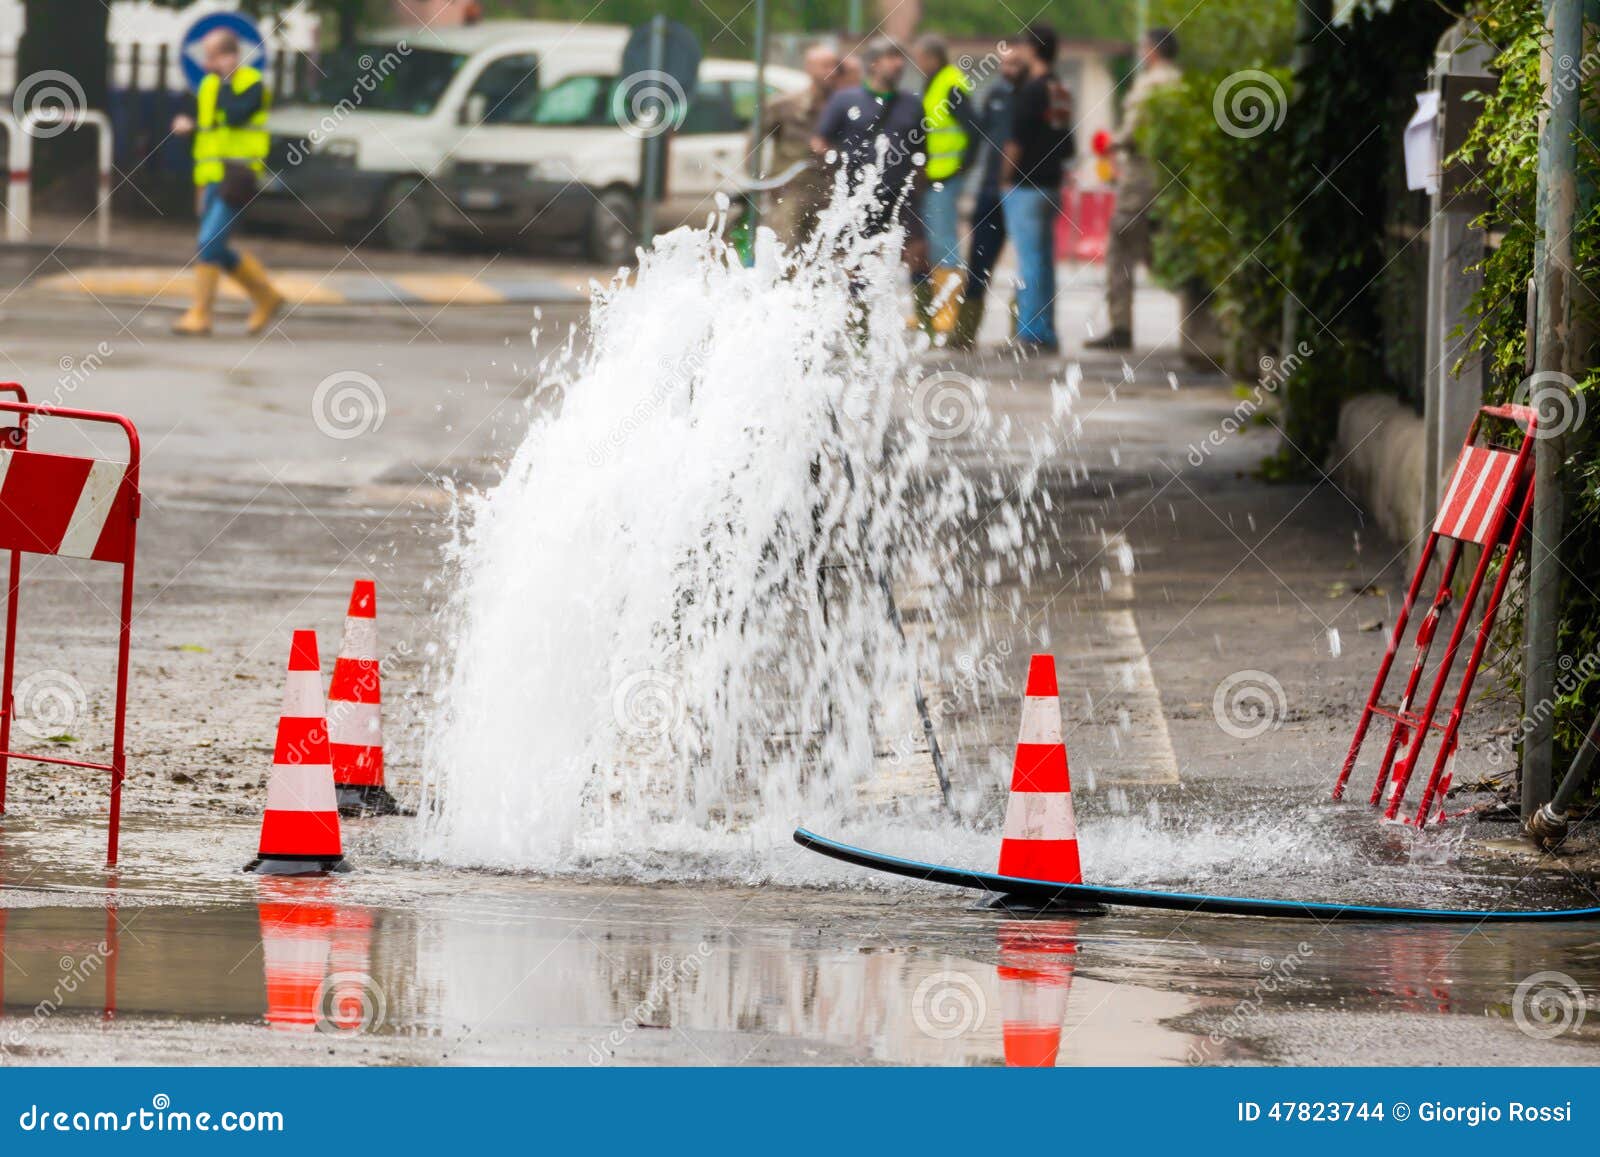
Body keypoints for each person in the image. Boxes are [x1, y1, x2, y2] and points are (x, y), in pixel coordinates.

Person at [169, 29, 283, 338]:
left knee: (208, 242)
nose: (206, 63)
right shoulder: (208, 85)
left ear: (229, 56)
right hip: (209, 178)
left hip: (237, 177)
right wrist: (188, 125)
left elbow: (232, 115)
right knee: (214, 245)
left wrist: (224, 78)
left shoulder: (252, 86)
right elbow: (208, 128)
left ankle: (201, 314)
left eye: (211, 56)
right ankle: (266, 296)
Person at [1087, 25, 1182, 351]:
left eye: (1144, 48)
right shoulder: (1179, 84)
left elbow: (1133, 132)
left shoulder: (1150, 85)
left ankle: (1121, 329)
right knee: (1160, 250)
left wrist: (1108, 142)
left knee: (1121, 248)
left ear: (1153, 49)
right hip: (1168, 178)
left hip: (1140, 178)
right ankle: (1207, 311)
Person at [1000, 24, 1074, 354]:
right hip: (1052, 184)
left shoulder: (1031, 90)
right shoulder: (1059, 88)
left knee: (1028, 262)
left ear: (1032, 49)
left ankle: (1030, 333)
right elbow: (1067, 142)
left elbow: (1017, 140)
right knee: (1044, 262)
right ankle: (1047, 332)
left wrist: (1004, 176)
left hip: (1026, 185)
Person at [949, 42, 1024, 350]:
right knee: (978, 262)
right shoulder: (995, 94)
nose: (1007, 70)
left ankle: (1021, 332)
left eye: (1015, 63)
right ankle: (964, 333)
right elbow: (980, 138)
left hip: (1020, 191)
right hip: (989, 191)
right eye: (1003, 63)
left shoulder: (1032, 95)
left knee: (1026, 269)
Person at [812, 39, 925, 243]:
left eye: (901, 58)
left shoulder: (913, 104)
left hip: (900, 197)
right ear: (873, 63)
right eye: (891, 57)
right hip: (855, 195)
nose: (898, 64)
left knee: (909, 254)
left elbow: (921, 152)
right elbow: (820, 143)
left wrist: (919, 195)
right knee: (854, 256)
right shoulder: (844, 100)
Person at [911, 35, 976, 335]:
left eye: (921, 57)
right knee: (936, 241)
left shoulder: (950, 84)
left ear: (933, 57)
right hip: (934, 174)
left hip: (947, 175)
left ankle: (948, 311)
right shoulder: (935, 82)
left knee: (944, 241)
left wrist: (962, 168)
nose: (917, 63)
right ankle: (935, 307)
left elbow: (974, 130)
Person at [757, 42, 844, 248]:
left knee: (825, 254)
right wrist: (759, 179)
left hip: (829, 190)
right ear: (809, 68)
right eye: (824, 66)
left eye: (834, 66)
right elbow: (755, 138)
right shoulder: (785, 105)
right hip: (791, 190)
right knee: (785, 249)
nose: (830, 72)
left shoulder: (844, 107)